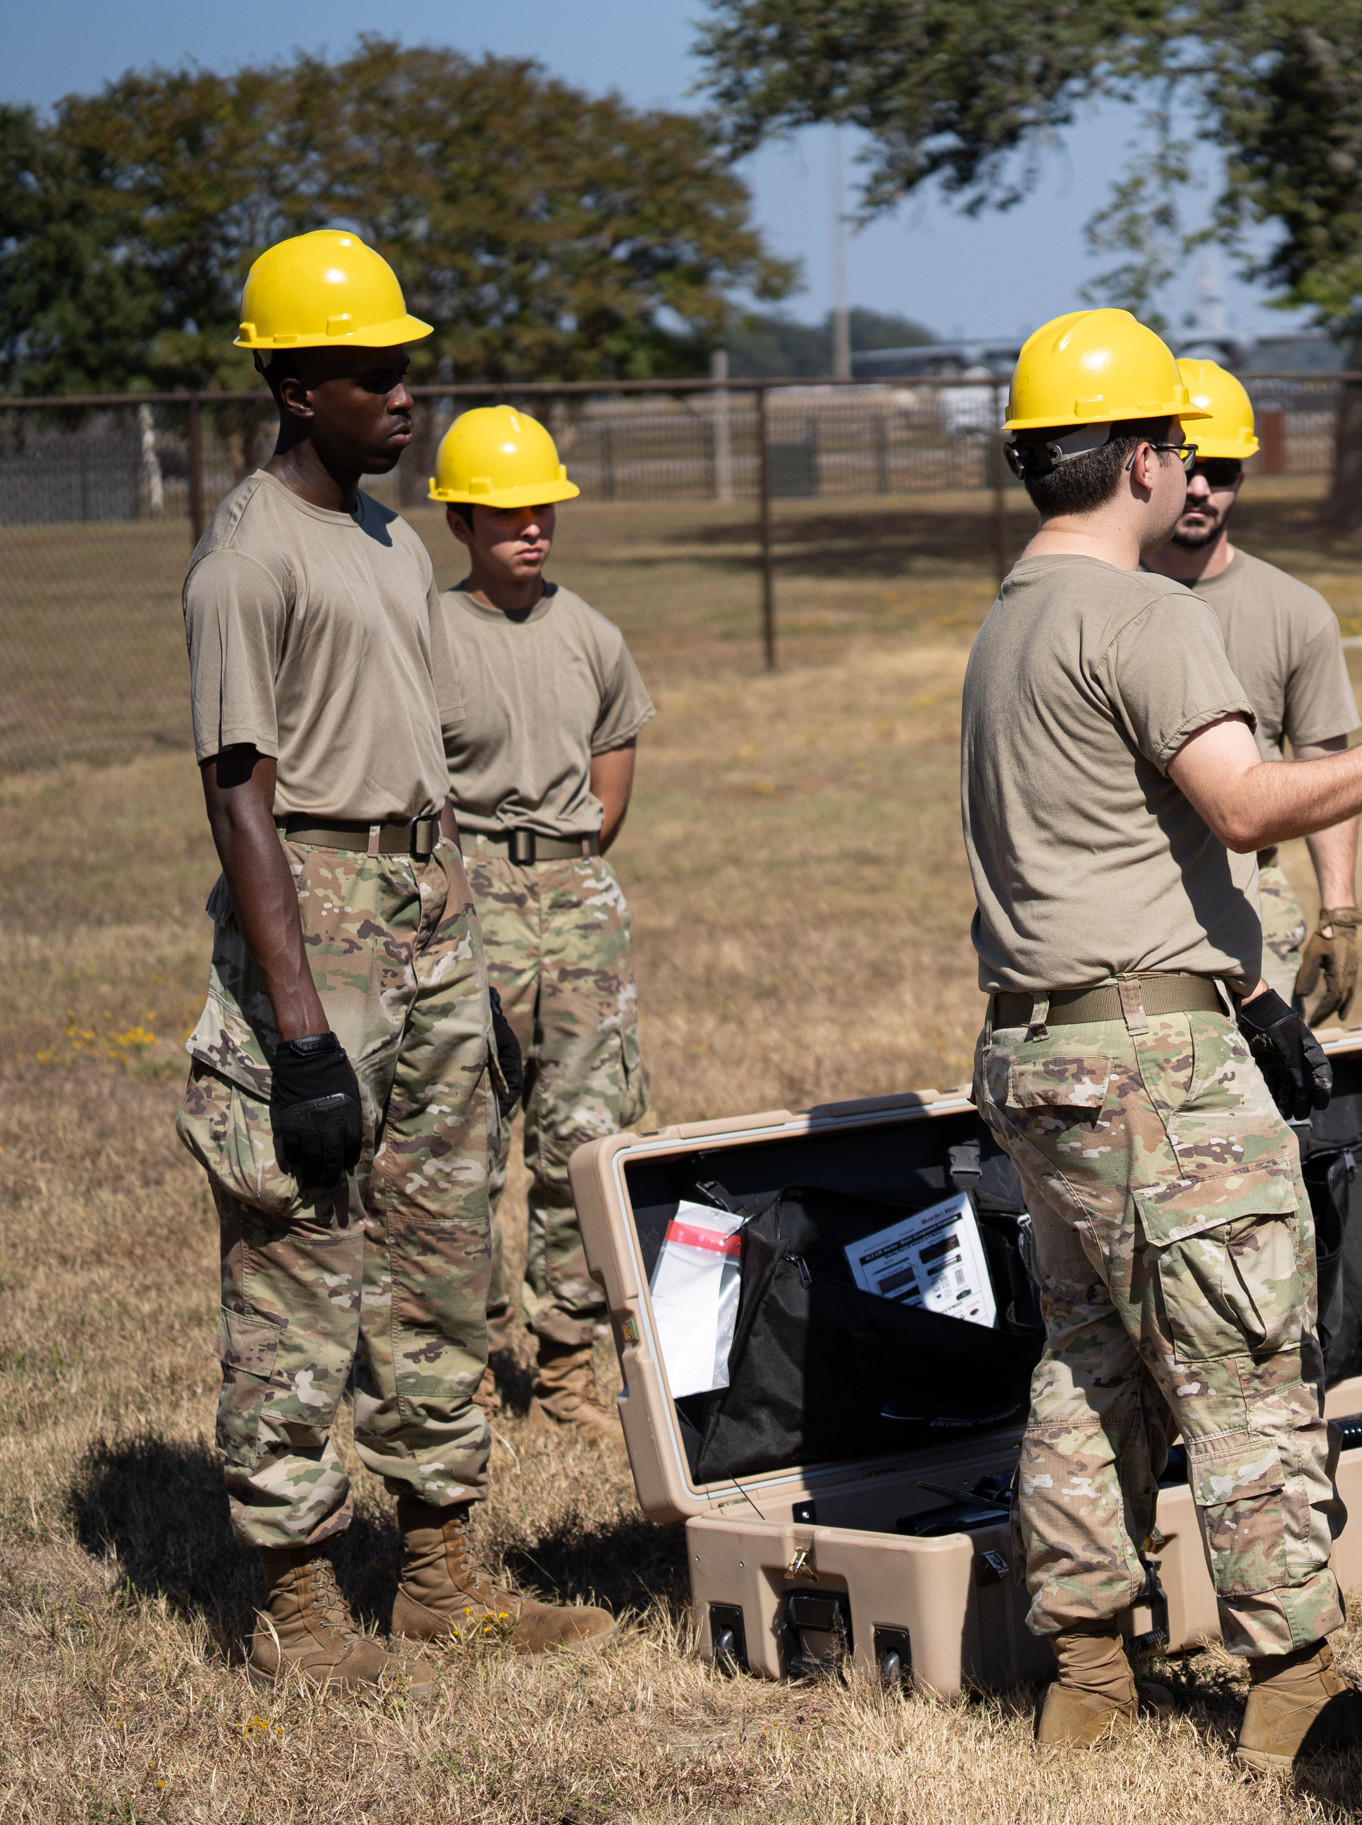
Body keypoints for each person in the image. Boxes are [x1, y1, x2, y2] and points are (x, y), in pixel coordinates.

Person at [962, 308, 1362, 1760]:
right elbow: (1243, 805)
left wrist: (1262, 991)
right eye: (1181, 447)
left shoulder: (1011, 613)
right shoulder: (1142, 614)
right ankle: (1292, 1690)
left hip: (1041, 1049)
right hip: (1152, 1061)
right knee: (1245, 1363)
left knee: (1088, 1361)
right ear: (1146, 457)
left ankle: (1084, 1681)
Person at [179, 231, 611, 1694]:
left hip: (428, 905)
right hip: (315, 910)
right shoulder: (247, 555)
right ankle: (296, 1599)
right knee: (299, 1259)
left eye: (410, 369)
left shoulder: (378, 537)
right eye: (374, 374)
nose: (405, 397)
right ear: (297, 388)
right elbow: (238, 788)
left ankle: (435, 1570)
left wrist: (468, 959)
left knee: (439, 1249)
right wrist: (298, 1032)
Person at [429, 405, 657, 1440]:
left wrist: (568, 863)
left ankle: (567, 1368)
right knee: (461, 1144)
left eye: (543, 511)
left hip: (576, 907)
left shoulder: (591, 632)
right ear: (461, 523)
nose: (531, 529)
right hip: (467, 899)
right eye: (507, 514)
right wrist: (467, 884)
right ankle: (467, 1369)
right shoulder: (427, 636)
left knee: (582, 1142)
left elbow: (615, 768)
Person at [1143, 359, 1362, 1020]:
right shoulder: (1105, 601)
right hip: (1135, 878)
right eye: (1190, 465)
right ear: (1155, 466)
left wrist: (1339, 912)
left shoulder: (1295, 611)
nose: (1202, 488)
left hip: (1252, 881)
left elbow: (1324, 770)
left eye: (1224, 471)